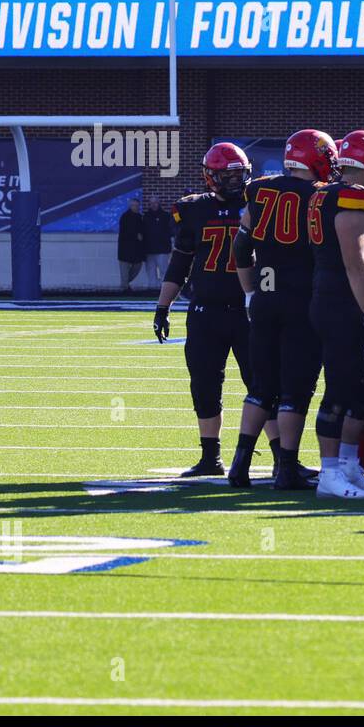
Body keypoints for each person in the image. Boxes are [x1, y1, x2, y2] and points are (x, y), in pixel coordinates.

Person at [154, 145, 277, 478]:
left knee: (262, 383)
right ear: (211, 176)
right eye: (229, 175)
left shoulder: (260, 206)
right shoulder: (193, 210)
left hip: (250, 312)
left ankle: (282, 456)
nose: (237, 181)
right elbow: (180, 263)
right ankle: (211, 456)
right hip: (206, 311)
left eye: (240, 174)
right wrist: (163, 306)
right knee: (205, 384)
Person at [226, 131, 326, 492]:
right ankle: (286, 467)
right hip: (301, 300)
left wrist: (250, 291)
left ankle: (239, 465)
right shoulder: (319, 195)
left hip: (264, 299)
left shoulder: (259, 189)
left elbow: (240, 246)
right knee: (294, 390)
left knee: (260, 386)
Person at [307, 129, 364, 500]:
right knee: (339, 389)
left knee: (359, 389)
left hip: (337, 298)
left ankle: (350, 465)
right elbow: (356, 264)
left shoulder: (325, 193)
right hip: (344, 302)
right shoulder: (352, 198)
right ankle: (329, 472)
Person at [141, 195, 173, 288]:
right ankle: (152, 289)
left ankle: (164, 290)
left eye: (155, 203)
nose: (153, 205)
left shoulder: (166, 216)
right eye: (151, 203)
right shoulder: (145, 217)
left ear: (158, 203)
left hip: (162, 249)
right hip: (149, 250)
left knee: (164, 271)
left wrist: (167, 245)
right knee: (150, 271)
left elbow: (170, 231)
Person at [118, 198, 145, 292]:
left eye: (137, 205)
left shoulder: (140, 217)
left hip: (137, 250)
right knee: (124, 271)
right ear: (130, 206)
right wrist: (136, 235)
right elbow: (125, 232)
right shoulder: (125, 217)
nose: (136, 207)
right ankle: (124, 287)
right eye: (134, 205)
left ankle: (125, 284)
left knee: (137, 267)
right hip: (125, 249)